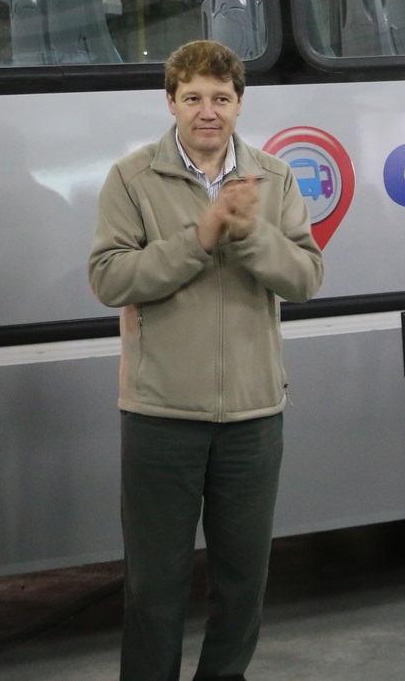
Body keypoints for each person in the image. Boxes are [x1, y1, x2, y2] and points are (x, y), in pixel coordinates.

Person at [89, 39, 324, 681]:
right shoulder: (132, 178)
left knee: (244, 584)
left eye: (221, 98)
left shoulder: (273, 178)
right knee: (154, 589)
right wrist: (202, 236)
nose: (208, 111)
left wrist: (250, 235)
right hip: (161, 416)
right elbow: (109, 279)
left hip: (253, 416)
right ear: (170, 104)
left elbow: (306, 276)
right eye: (192, 98)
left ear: (240, 105)